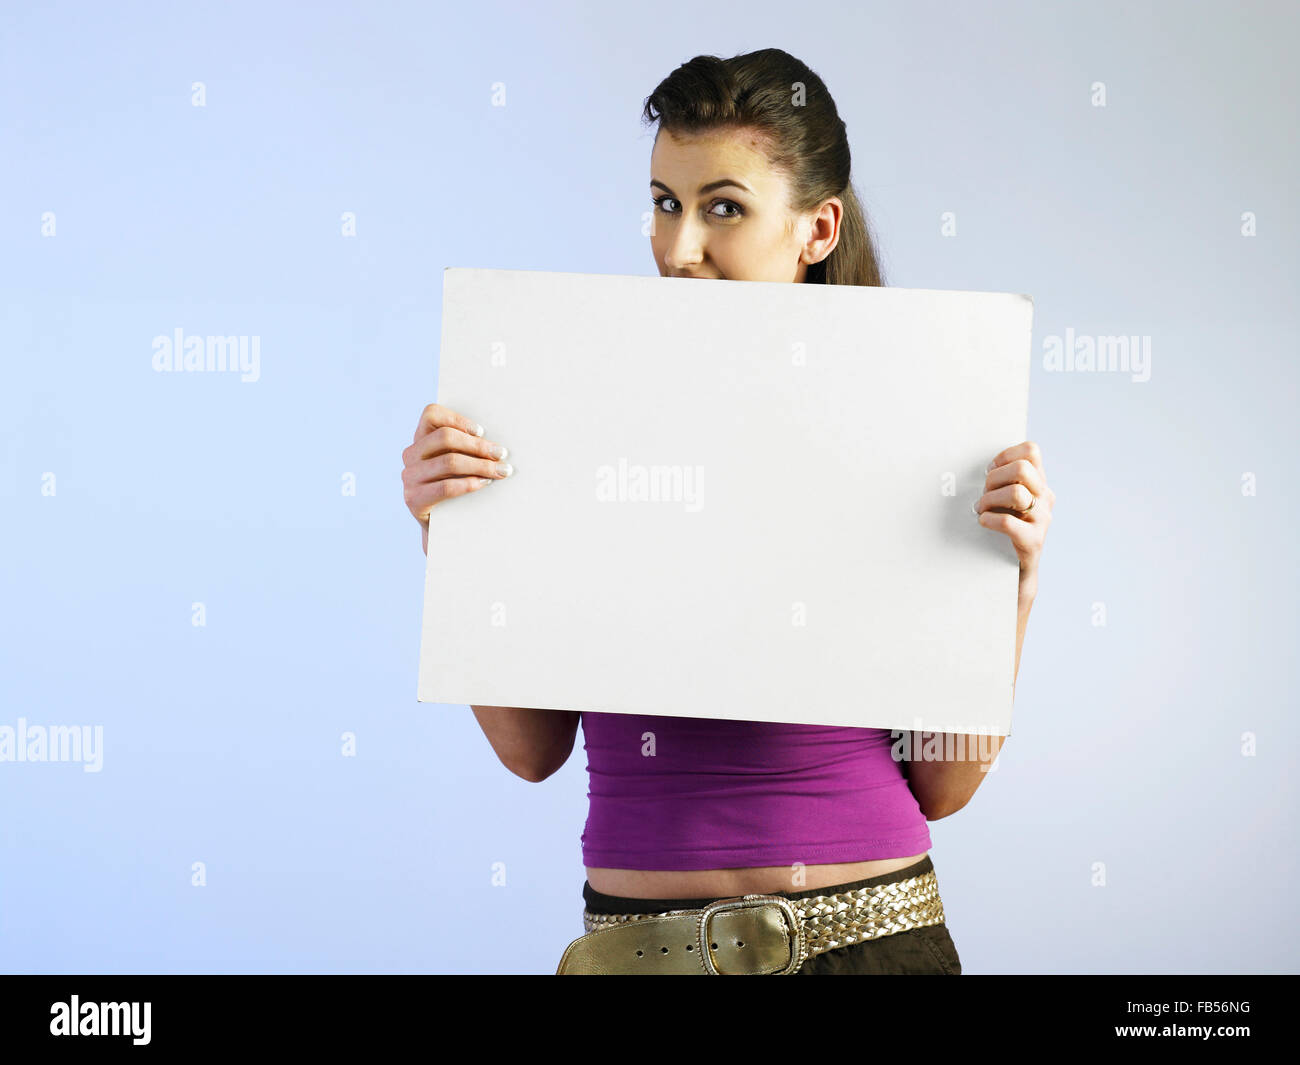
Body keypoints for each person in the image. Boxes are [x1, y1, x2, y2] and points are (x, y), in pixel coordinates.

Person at [400, 48, 1055, 975]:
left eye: (724, 208)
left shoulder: (912, 419)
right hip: (636, 953)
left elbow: (943, 783)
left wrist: (1009, 587)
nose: (679, 249)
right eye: (666, 204)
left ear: (817, 228)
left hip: (868, 941)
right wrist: (454, 533)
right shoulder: (570, 407)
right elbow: (532, 750)